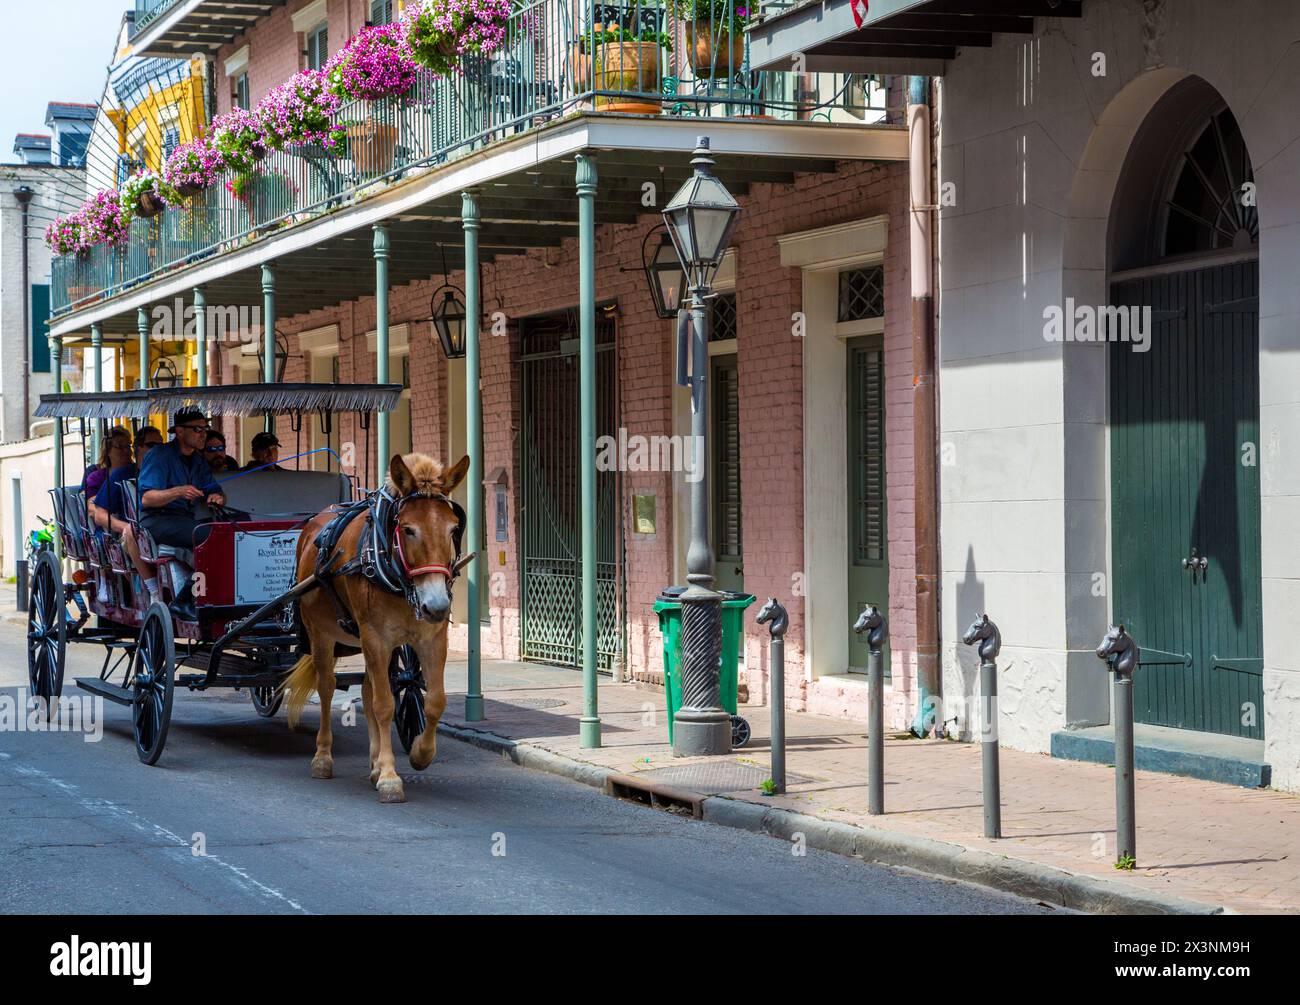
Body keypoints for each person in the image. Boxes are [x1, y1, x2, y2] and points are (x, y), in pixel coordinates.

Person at [139, 410, 227, 620]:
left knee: (234, 528)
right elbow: (146, 499)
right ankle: (183, 601)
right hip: (156, 521)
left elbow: (213, 487)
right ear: (179, 431)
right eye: (197, 429)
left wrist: (217, 496)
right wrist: (178, 491)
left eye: (204, 429)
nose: (203, 434)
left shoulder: (197, 460)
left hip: (184, 520)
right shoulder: (159, 456)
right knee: (209, 536)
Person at [93, 425, 164, 605]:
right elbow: (100, 515)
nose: (158, 450)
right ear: (139, 448)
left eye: (161, 446)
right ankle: (152, 589)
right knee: (132, 535)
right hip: (131, 532)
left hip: (161, 527)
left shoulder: (165, 471)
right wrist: (126, 527)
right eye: (152, 445)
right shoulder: (120, 475)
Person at [81, 426, 132, 513]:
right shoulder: (96, 477)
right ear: (107, 450)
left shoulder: (136, 473)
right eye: (120, 446)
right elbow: (90, 506)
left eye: (128, 446)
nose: (126, 450)